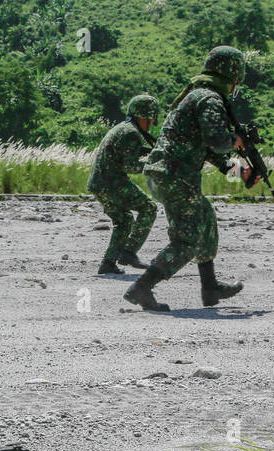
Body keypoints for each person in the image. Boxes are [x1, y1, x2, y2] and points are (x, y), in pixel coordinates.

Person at [124, 47, 257, 312]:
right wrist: (237, 141)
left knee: (204, 218)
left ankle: (210, 288)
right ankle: (142, 287)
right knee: (188, 241)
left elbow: (207, 149)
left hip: (165, 174)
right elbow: (217, 141)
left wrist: (238, 171)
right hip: (176, 176)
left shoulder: (196, 95)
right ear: (232, 75)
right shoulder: (209, 99)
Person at [87, 93, 160, 275]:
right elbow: (131, 166)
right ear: (142, 116)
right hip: (112, 182)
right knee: (149, 208)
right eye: (151, 119)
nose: (152, 123)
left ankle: (108, 264)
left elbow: (128, 153)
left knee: (124, 220)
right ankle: (128, 253)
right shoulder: (131, 133)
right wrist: (158, 165)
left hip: (98, 183)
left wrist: (153, 152)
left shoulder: (123, 128)